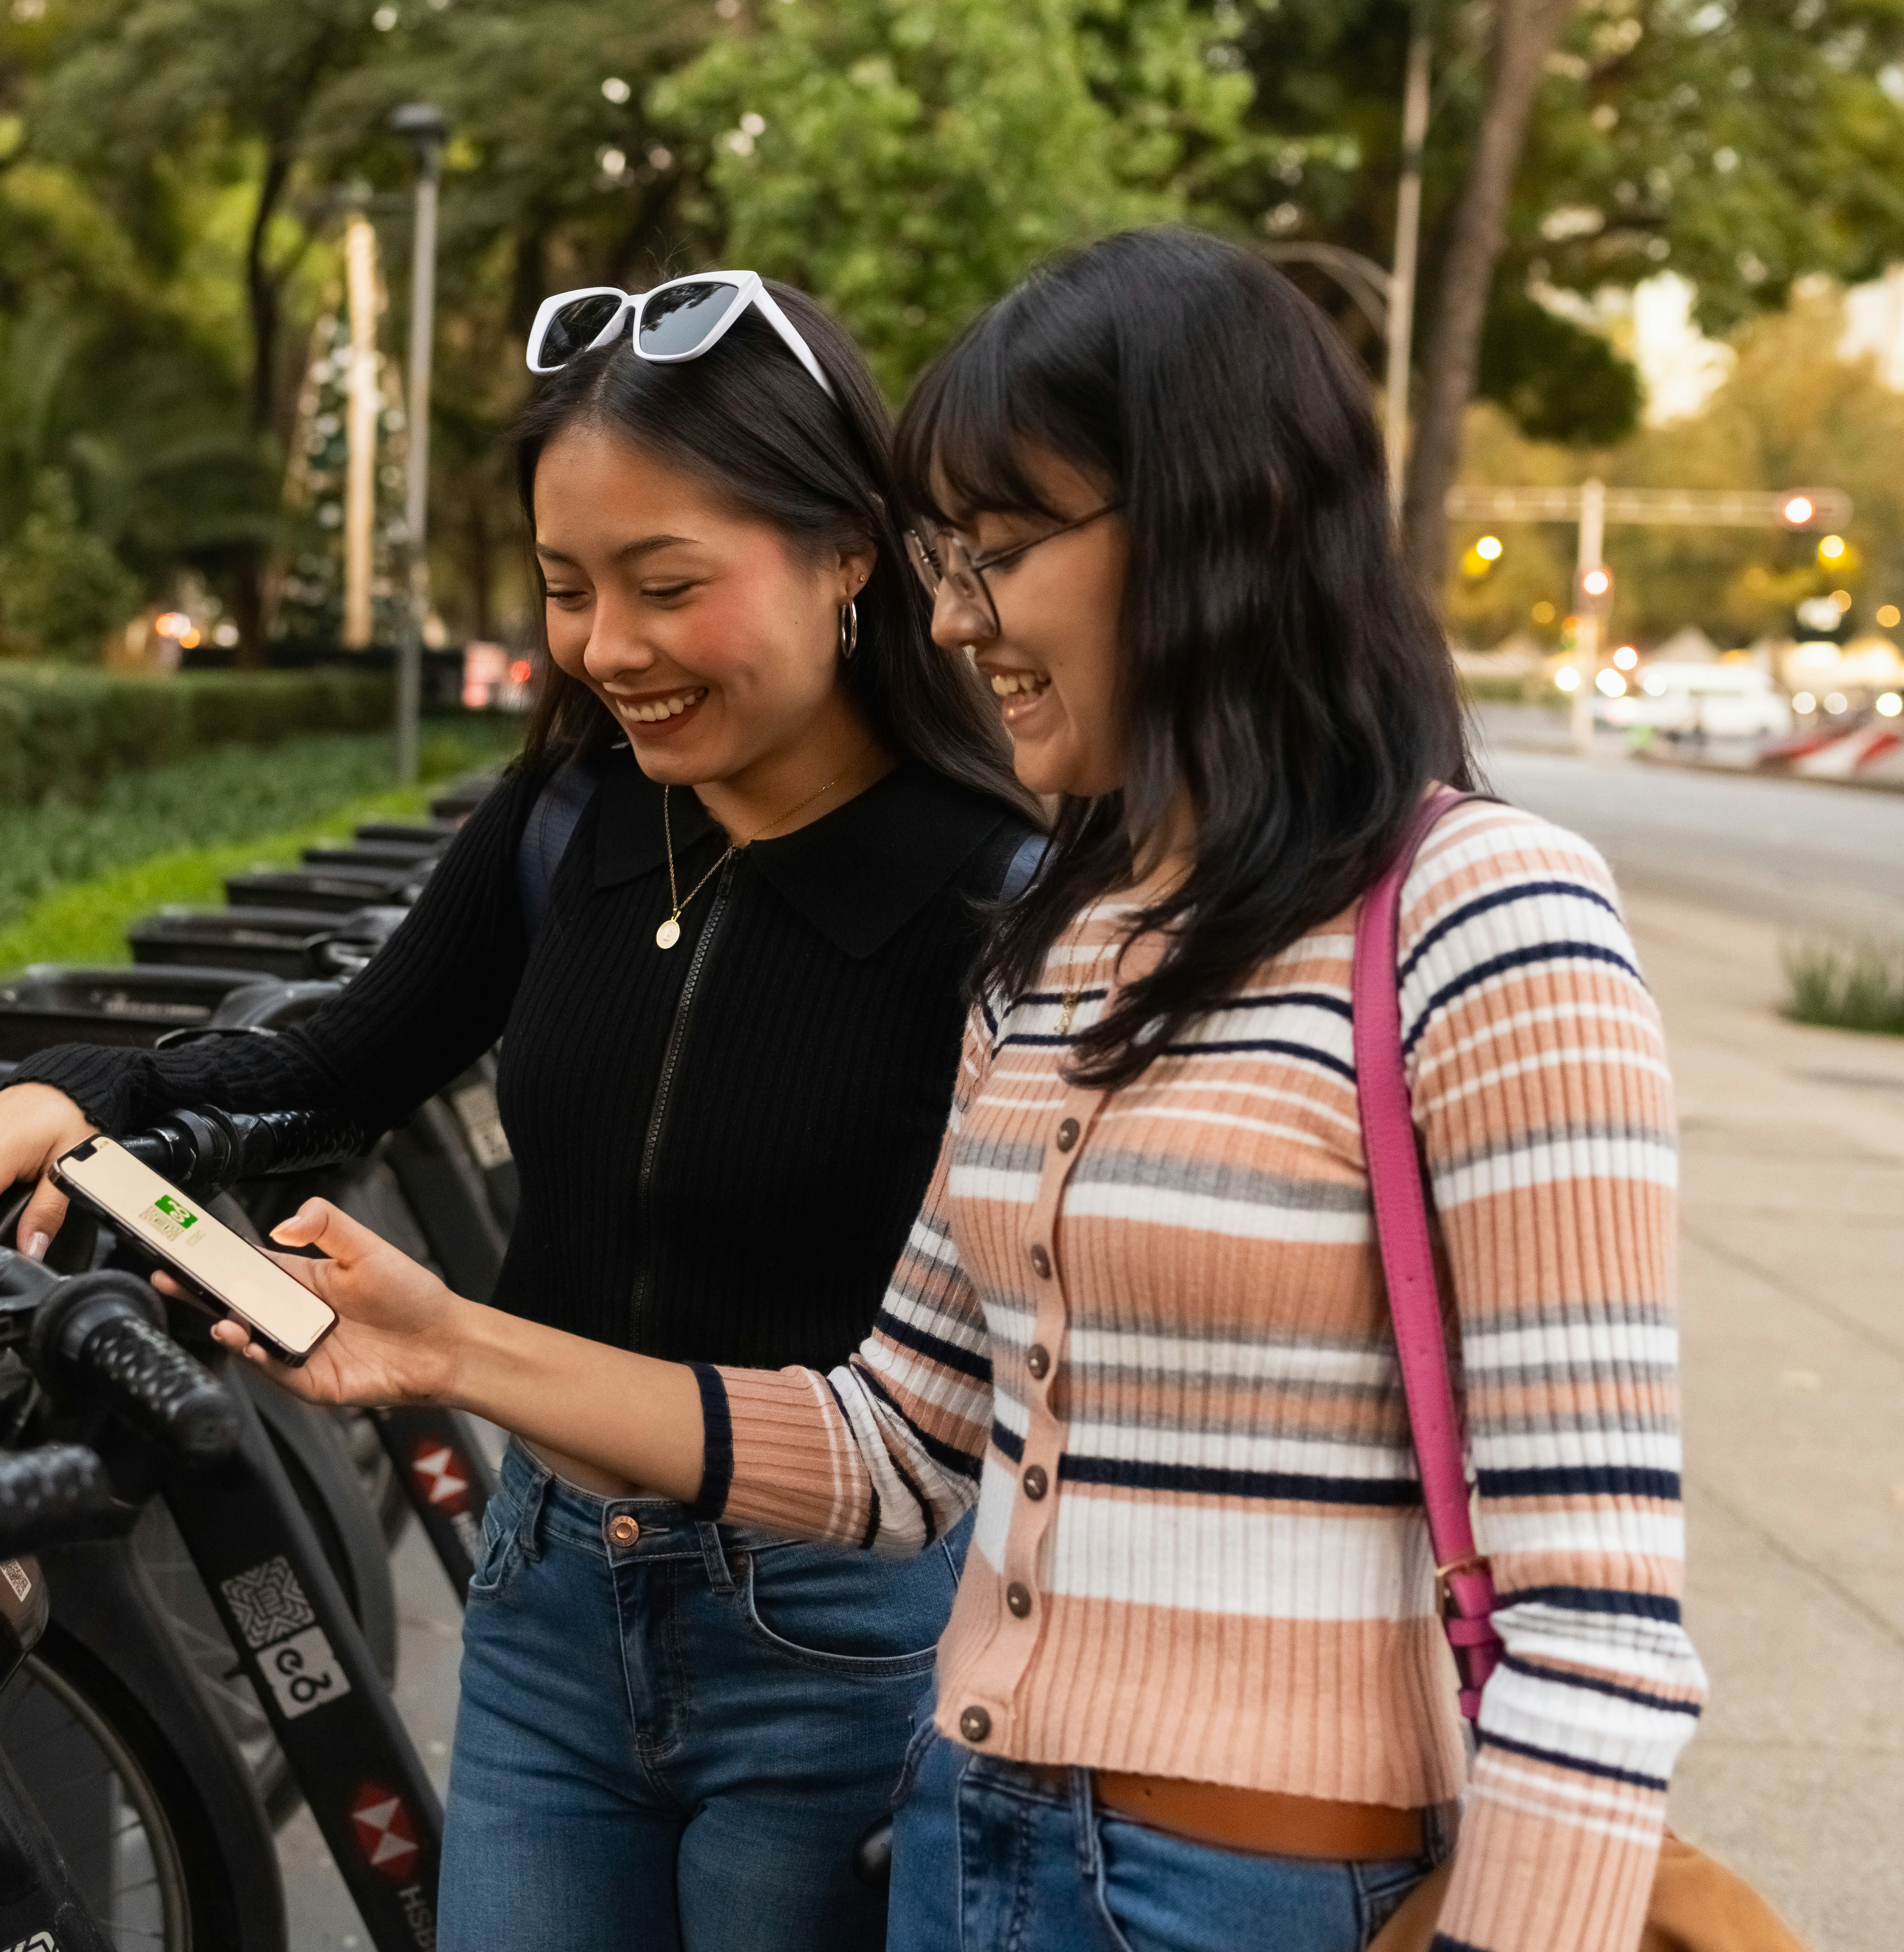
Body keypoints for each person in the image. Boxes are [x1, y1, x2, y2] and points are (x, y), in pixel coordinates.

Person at [187, 228, 1706, 1952]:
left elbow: (1597, 1623)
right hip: (970, 1853)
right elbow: (894, 1443)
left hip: (1256, 1894)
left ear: (1239, 512)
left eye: (996, 551)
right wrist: (451, 1345)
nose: (955, 613)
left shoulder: (1485, 915)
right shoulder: (1056, 947)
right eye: (943, 556)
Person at [0, 273, 1042, 1952]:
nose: (607, 650)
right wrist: (83, 1101)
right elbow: (343, 1055)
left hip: (839, 1639)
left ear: (852, 551)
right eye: (568, 589)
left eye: (668, 585)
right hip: (549, 1592)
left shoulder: (1001, 902)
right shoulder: (570, 818)